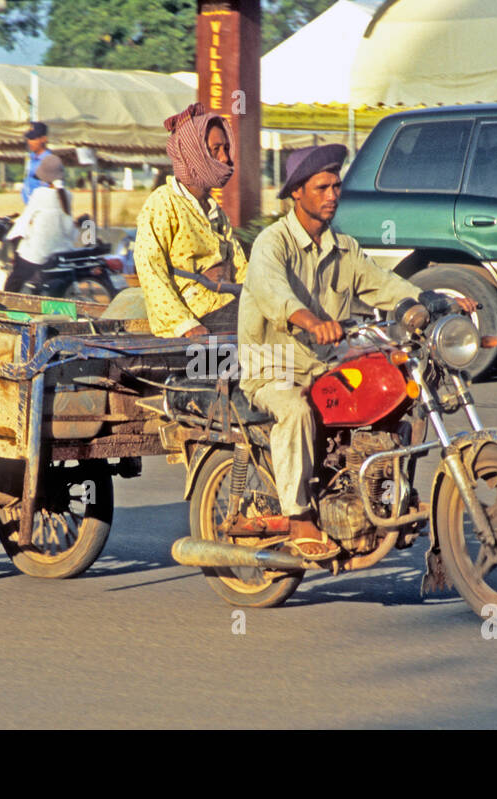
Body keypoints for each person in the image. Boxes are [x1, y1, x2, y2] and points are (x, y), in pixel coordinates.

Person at [239, 144, 474, 560]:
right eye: (322, 186)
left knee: (394, 390)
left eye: (336, 185)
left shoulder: (344, 248)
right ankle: (298, 518)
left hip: (324, 364)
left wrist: (435, 300)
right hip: (273, 368)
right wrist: (312, 322)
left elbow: (383, 284)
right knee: (294, 410)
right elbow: (274, 293)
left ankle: (379, 493)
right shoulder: (271, 244)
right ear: (297, 192)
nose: (332, 194)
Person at [133, 102, 246, 337]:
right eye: (216, 149)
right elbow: (149, 266)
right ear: (194, 153)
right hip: (196, 314)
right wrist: (185, 325)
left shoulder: (216, 212)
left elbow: (240, 267)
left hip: (227, 303)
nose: (225, 158)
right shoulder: (163, 203)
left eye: (226, 148)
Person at [4, 154, 78, 292]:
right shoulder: (68, 195)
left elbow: (24, 220)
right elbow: (69, 226)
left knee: (14, 280)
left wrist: (13, 233)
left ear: (44, 177)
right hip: (62, 251)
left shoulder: (39, 194)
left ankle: (6, 310)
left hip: (40, 254)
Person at [21, 121, 53, 206]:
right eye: (29, 138)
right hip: (30, 207)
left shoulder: (49, 161)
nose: (30, 142)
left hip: (43, 208)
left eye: (33, 138)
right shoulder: (31, 159)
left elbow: (53, 189)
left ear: (44, 139)